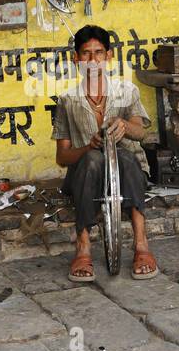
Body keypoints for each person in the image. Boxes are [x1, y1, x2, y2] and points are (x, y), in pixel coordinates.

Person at [52, 25, 159, 283]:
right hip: (87, 174)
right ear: (75, 59)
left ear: (109, 56)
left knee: (126, 157)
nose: (93, 60)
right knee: (92, 159)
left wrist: (125, 127)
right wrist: (88, 146)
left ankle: (141, 245)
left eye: (99, 53)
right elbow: (62, 157)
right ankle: (83, 247)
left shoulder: (126, 91)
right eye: (86, 54)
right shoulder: (67, 100)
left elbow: (141, 132)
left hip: (126, 171)